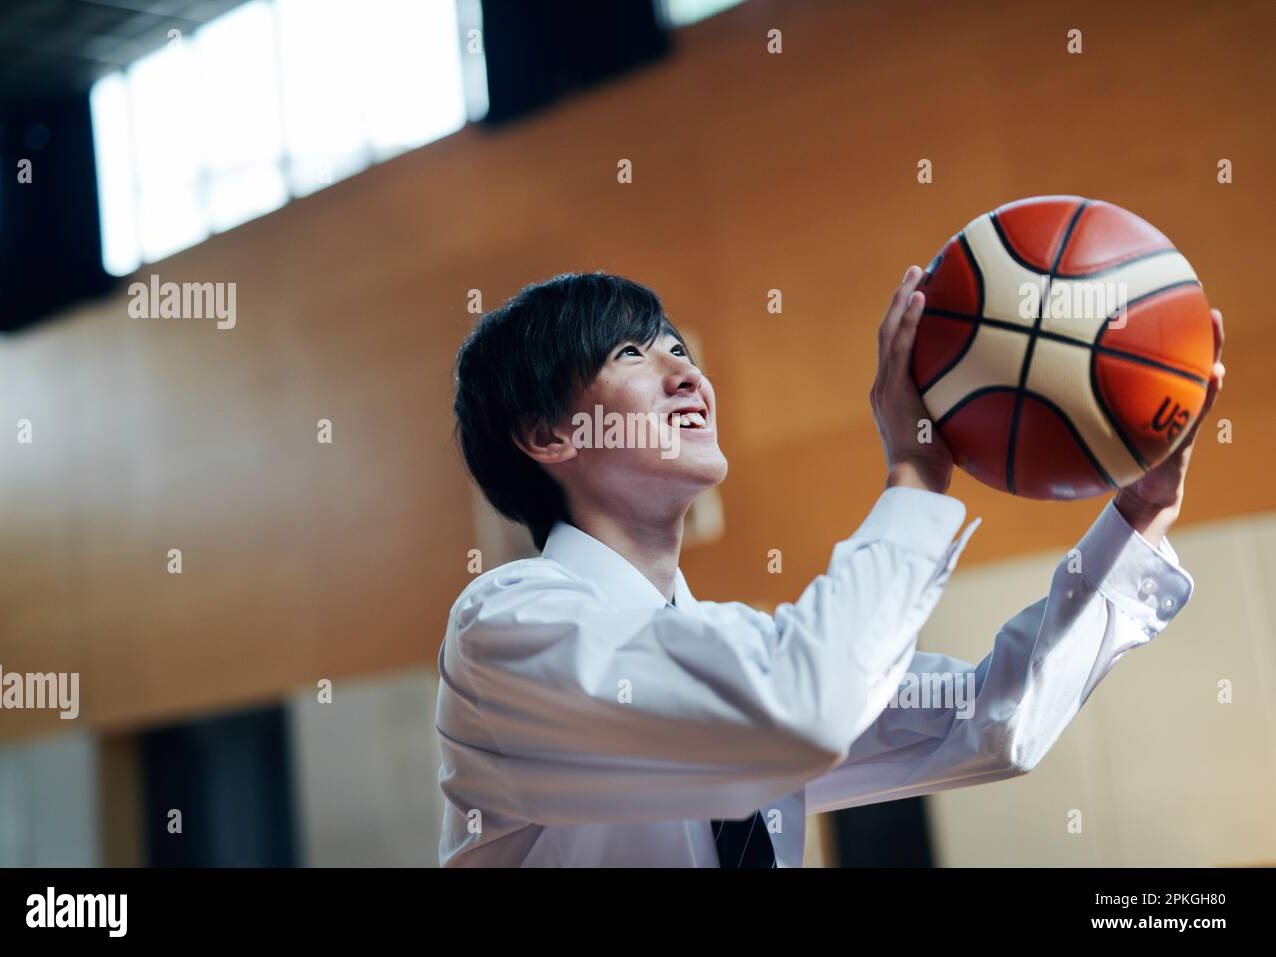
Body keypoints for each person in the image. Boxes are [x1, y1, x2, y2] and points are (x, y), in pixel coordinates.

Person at [435, 268, 1225, 867]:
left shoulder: (731, 653)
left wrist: (1141, 512)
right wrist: (914, 474)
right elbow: (801, 705)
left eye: (680, 346)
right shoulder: (503, 628)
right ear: (547, 436)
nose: (687, 374)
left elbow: (992, 719)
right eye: (632, 352)